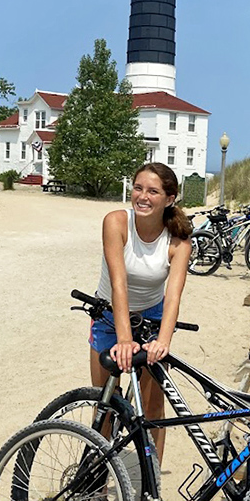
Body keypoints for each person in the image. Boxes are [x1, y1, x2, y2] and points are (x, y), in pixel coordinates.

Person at [89, 162, 192, 462]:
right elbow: (119, 283)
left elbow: (173, 297)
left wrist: (163, 341)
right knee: (105, 403)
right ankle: (96, 488)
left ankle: (152, 488)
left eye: (153, 191)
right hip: (109, 316)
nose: (143, 197)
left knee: (153, 408)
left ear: (169, 198)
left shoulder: (178, 242)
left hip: (152, 318)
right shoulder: (116, 222)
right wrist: (123, 338)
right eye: (138, 188)